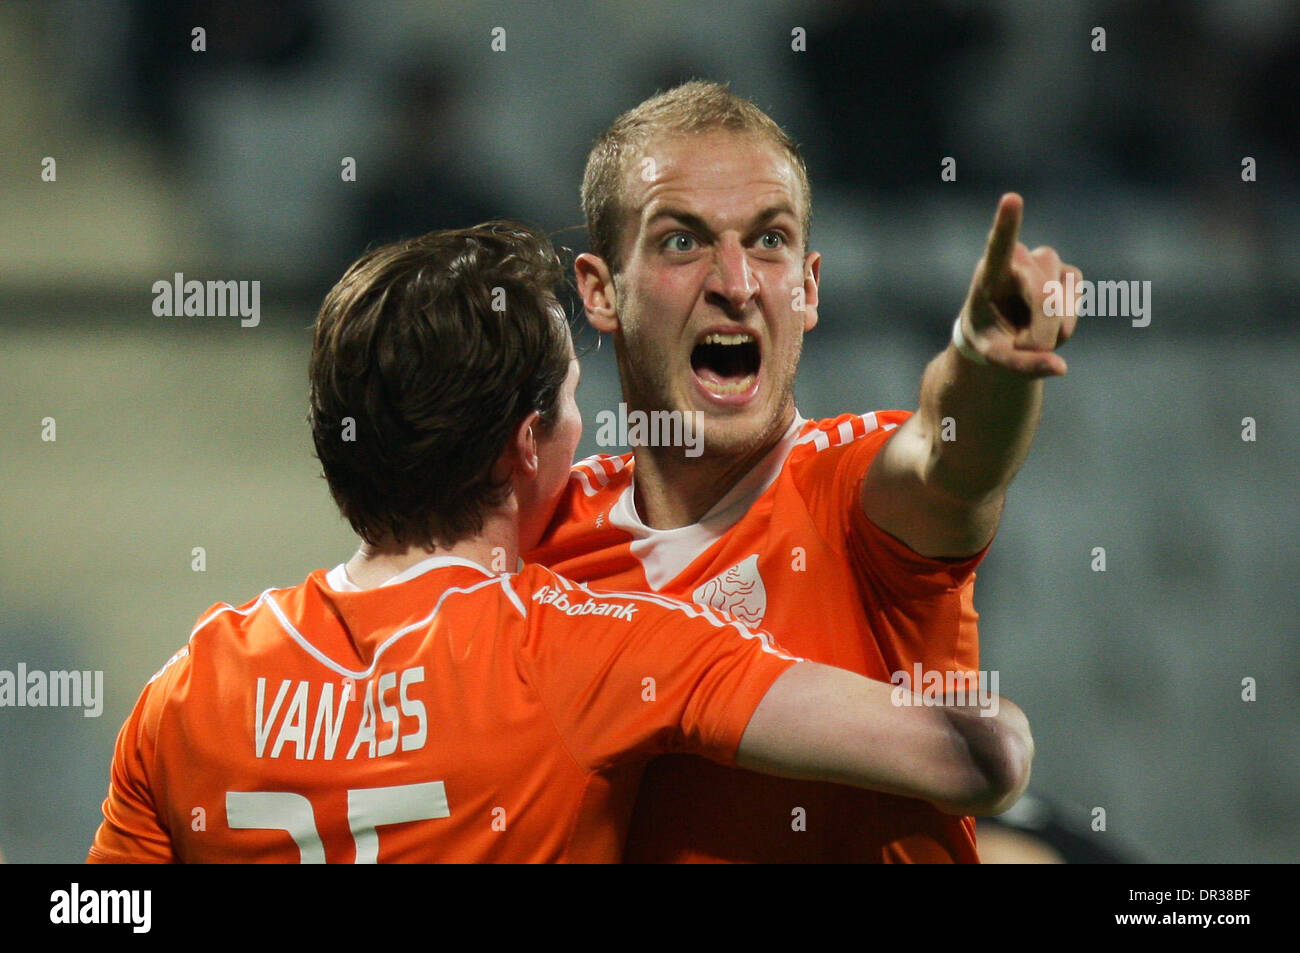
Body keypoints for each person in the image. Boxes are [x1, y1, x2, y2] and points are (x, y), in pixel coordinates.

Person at [86, 222, 1032, 864]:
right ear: (526, 443)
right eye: (577, 402)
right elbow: (969, 760)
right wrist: (989, 722)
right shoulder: (586, 651)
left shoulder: (191, 685)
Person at [528, 81, 1081, 862]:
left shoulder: (851, 490)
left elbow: (951, 463)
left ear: (809, 286)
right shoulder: (541, 551)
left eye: (768, 240)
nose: (736, 281)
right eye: (681, 241)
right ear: (600, 289)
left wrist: (985, 364)